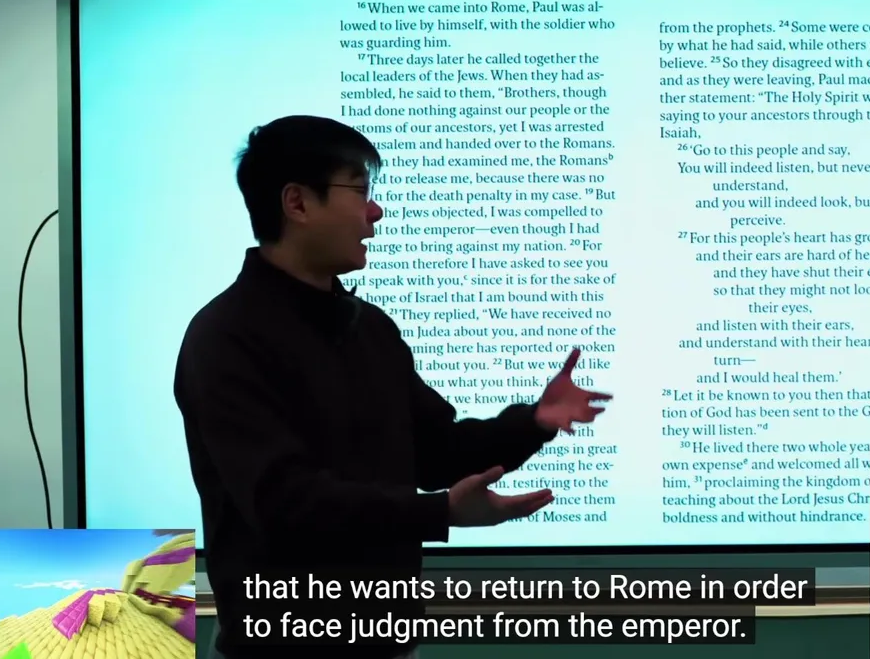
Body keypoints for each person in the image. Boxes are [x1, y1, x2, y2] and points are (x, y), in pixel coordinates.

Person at [174, 115, 612, 658]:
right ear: (297, 203)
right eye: (360, 191)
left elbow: (436, 450)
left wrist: (534, 423)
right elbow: (284, 501)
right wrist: (440, 513)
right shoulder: (225, 338)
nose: (375, 211)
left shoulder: (369, 328)